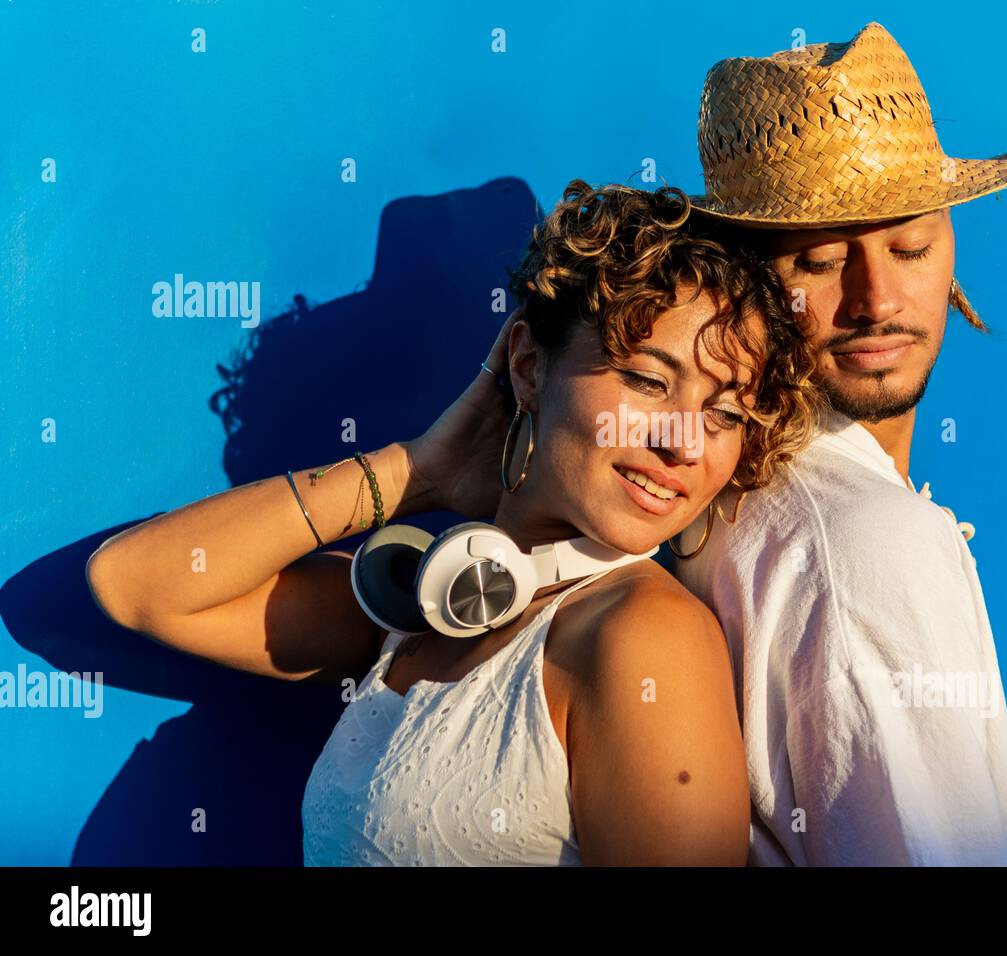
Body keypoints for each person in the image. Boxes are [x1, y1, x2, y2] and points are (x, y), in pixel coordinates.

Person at [86, 179, 822, 866]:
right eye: (647, 380)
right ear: (530, 368)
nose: (682, 444)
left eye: (725, 412)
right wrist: (422, 471)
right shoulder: (427, 606)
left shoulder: (645, 637)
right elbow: (137, 583)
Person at [671, 22, 1007, 865]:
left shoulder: (717, 490)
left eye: (911, 245)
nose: (877, 298)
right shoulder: (863, 543)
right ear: (744, 280)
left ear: (952, 246)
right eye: (817, 260)